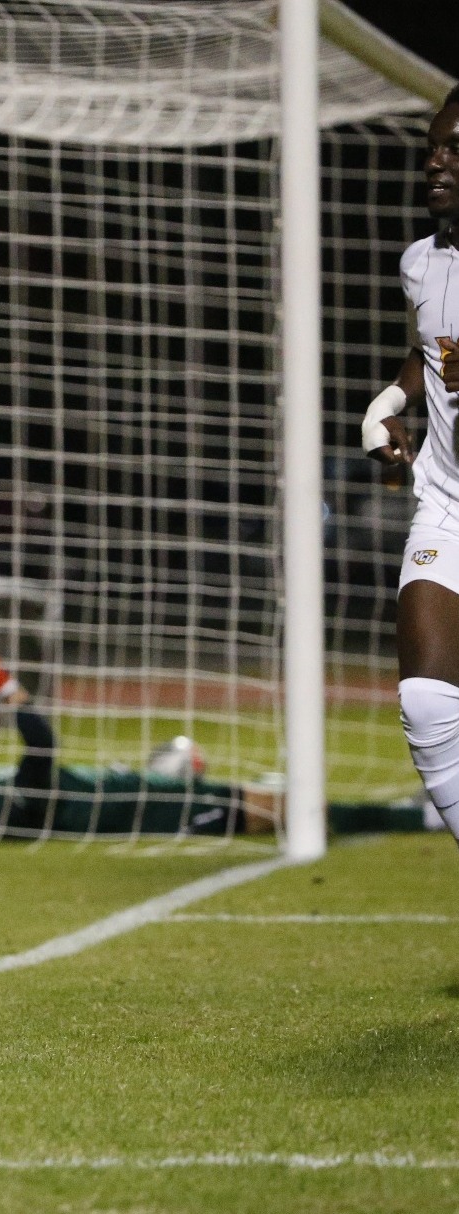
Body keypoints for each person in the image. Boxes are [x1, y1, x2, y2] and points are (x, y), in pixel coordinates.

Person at [0, 611, 275, 839]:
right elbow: (41, 744)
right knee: (278, 808)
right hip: (153, 809)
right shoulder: (4, 816)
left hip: (130, 784)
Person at [365, 85, 459, 842]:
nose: (436, 162)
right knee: (426, 703)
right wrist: (385, 405)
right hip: (448, 502)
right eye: (433, 146)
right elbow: (426, 351)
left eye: (455, 149)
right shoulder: (420, 263)